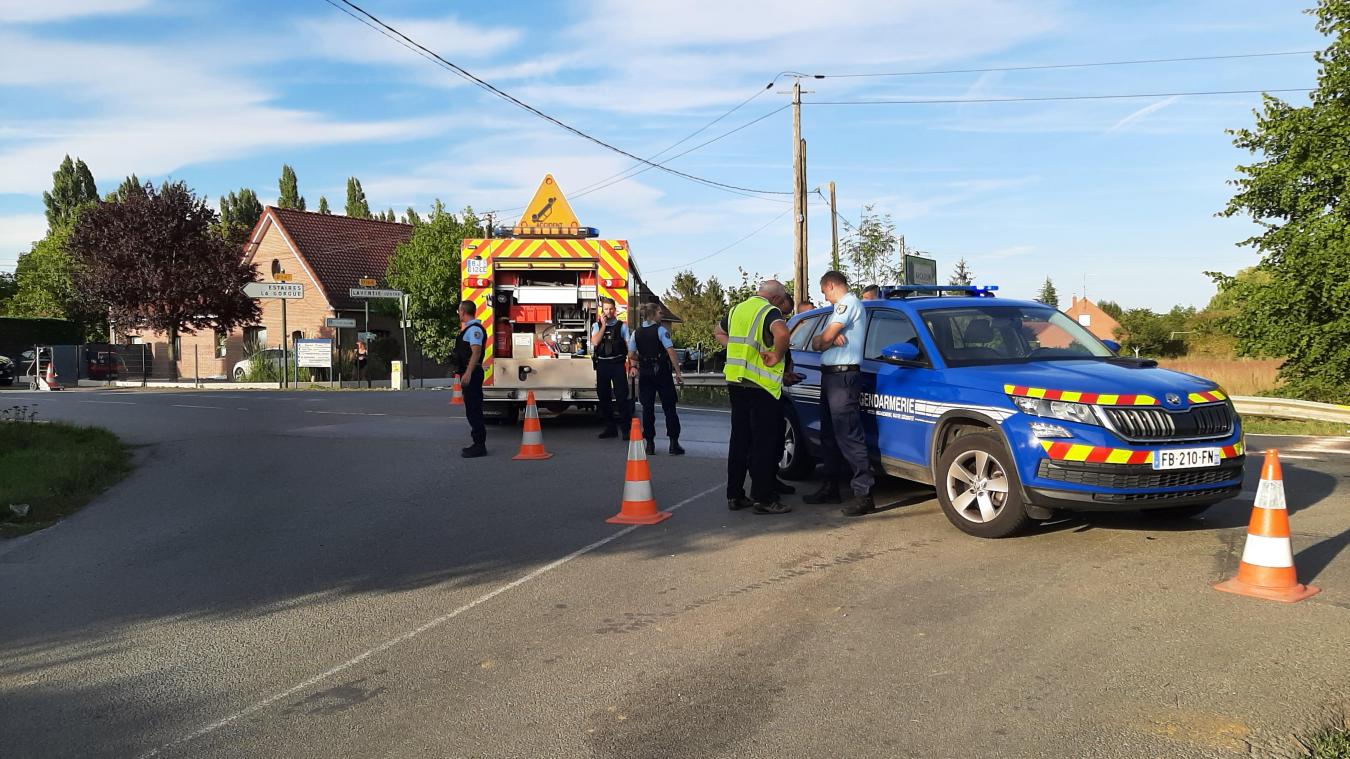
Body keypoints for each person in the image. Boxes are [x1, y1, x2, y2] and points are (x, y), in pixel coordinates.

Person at [715, 280, 792, 515]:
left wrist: (736, 349)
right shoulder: (769, 311)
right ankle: (763, 498)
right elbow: (782, 333)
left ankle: (735, 495)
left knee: (739, 441)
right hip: (761, 386)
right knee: (763, 443)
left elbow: (717, 331)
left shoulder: (738, 309)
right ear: (777, 299)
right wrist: (777, 355)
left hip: (736, 382)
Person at [805, 270, 876, 516]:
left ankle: (864, 495)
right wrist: (824, 339)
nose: (825, 297)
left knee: (848, 434)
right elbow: (819, 342)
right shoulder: (839, 309)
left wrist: (825, 338)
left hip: (843, 376)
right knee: (829, 435)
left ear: (831, 285)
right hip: (831, 376)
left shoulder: (848, 303)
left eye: (824, 291)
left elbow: (823, 339)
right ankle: (830, 487)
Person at [628, 302, 685, 456]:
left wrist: (642, 359)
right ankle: (673, 443)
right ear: (653, 315)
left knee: (648, 409)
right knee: (669, 407)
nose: (662, 314)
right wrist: (678, 372)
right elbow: (671, 352)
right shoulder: (661, 331)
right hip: (661, 372)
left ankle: (650, 444)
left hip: (645, 372)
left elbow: (631, 355)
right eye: (660, 312)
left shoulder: (636, 333)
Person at [590, 298, 632, 439]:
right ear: (603, 311)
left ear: (615, 310)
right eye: (606, 309)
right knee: (604, 397)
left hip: (618, 364)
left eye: (611, 309)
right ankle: (610, 428)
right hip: (602, 365)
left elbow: (629, 347)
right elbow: (595, 342)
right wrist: (603, 326)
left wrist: (632, 366)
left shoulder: (622, 326)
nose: (608, 312)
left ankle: (626, 429)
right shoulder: (597, 326)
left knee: (621, 397)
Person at [453, 300, 488, 458]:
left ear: (463, 311)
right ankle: (477, 443)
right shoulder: (468, 329)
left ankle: (479, 445)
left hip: (472, 374)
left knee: (474, 409)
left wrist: (468, 373)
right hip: (470, 372)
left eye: (459, 311)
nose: (458, 314)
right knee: (471, 409)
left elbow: (476, 351)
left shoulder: (474, 330)